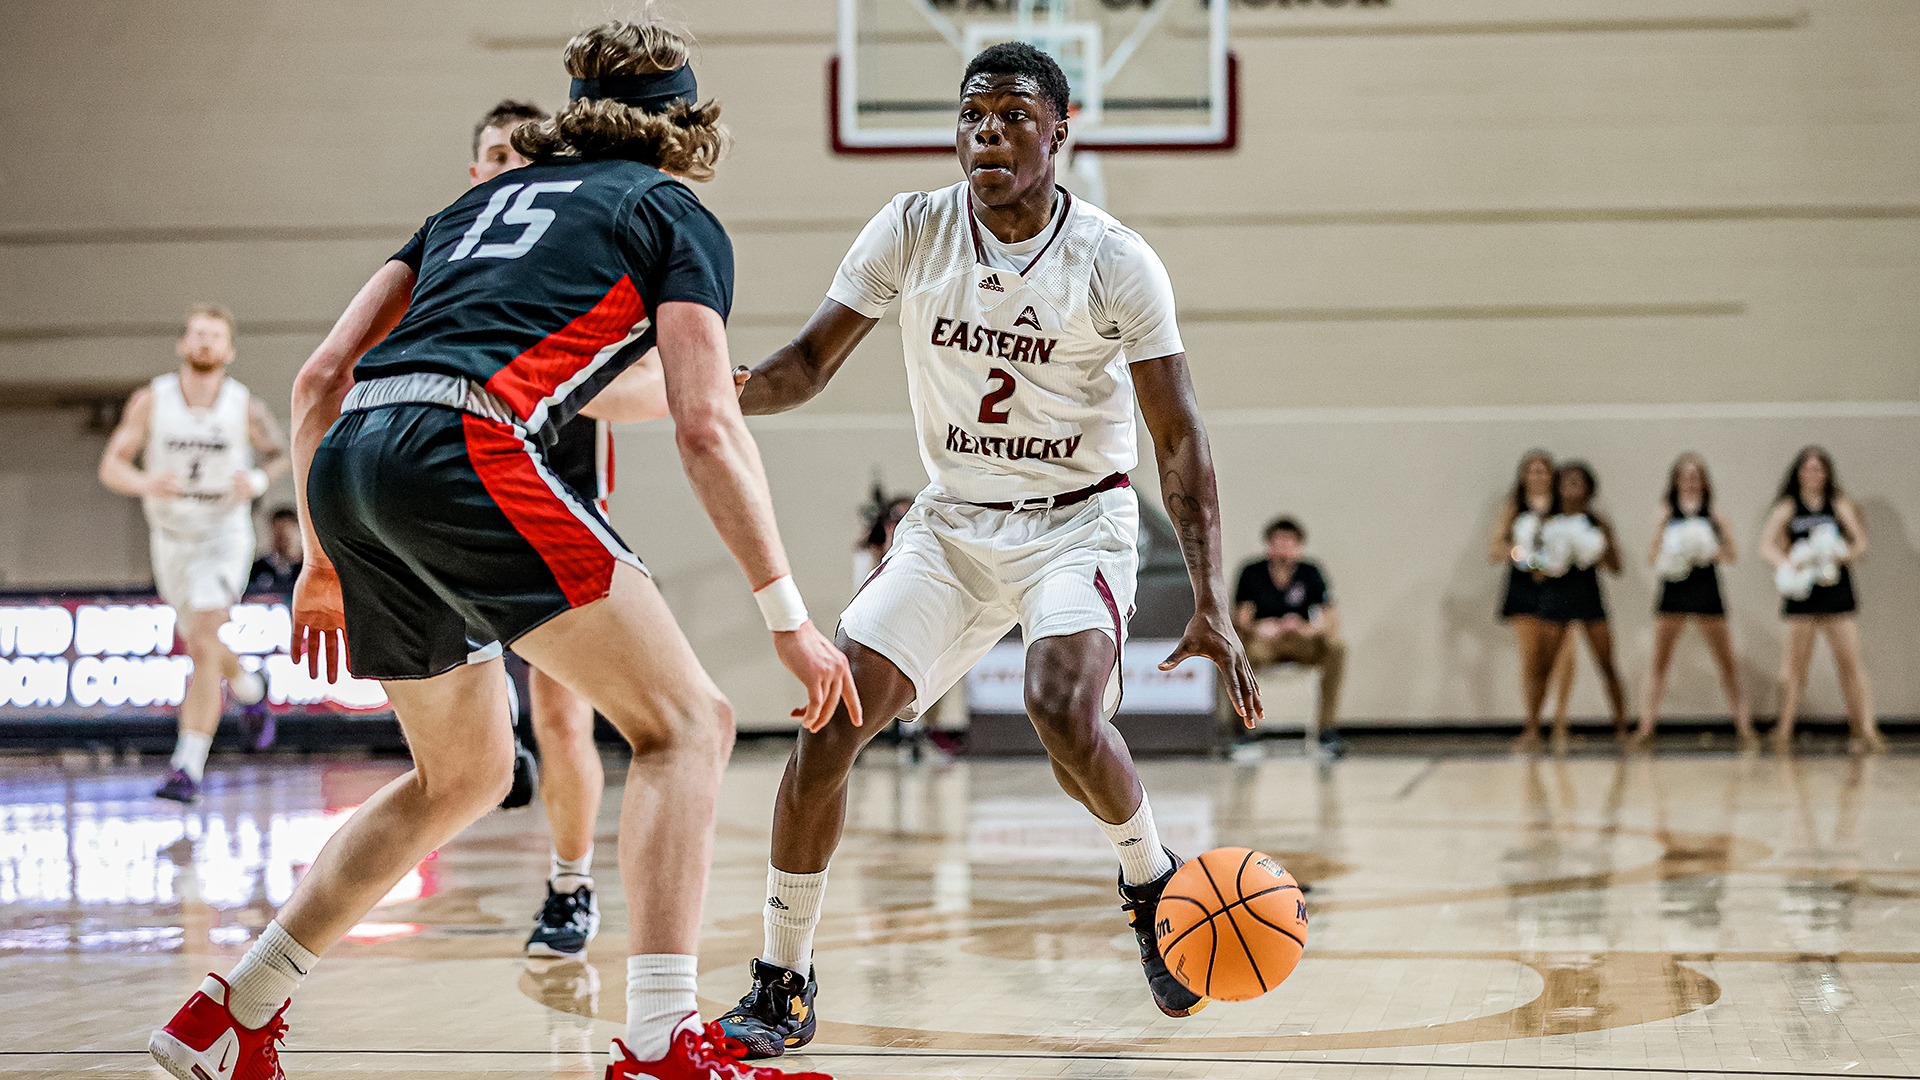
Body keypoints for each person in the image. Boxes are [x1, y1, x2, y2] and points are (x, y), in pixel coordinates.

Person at [147, 22, 854, 1080]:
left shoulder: (467, 206)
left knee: (463, 773)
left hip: (350, 464)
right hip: (463, 449)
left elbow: (320, 377)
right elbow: (708, 428)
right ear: (684, 125)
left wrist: (323, 559)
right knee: (688, 725)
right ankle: (663, 1041)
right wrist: (789, 620)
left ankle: (229, 1012)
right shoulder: (671, 210)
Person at [715, 42, 1261, 1060]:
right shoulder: (914, 229)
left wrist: (1210, 600)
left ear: (1060, 132)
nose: (989, 134)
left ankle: (1149, 884)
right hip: (954, 523)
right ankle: (782, 978)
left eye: (1014, 116)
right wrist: (714, 389)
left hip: (1076, 520)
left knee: (1060, 702)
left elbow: (1178, 439)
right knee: (828, 730)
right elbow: (807, 364)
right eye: (973, 117)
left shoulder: (1115, 259)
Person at [462, 97, 670, 959]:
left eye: (522, 150)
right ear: (474, 172)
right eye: (493, 153)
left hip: (559, 507)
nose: (507, 162)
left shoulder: (585, 253)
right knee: (460, 740)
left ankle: (570, 886)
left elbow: (652, 386)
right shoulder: (447, 249)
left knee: (565, 718)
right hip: (454, 502)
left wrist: (541, 375)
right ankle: (489, 747)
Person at [99, 305, 290, 802]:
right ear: (183, 345)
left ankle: (187, 767)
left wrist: (258, 479)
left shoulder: (243, 405)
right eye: (198, 335)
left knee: (203, 642)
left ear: (229, 351)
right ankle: (249, 688)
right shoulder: (151, 400)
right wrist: (145, 482)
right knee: (205, 644)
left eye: (215, 337)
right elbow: (111, 465)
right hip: (170, 537)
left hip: (224, 535)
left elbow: (282, 452)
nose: (205, 343)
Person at [1759, 446, 1883, 754]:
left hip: (1835, 591)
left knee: (1850, 662)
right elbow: (1767, 545)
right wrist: (1788, 563)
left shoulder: (1838, 504)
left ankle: (1864, 728)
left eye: (1819, 469)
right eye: (1807, 468)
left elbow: (1860, 544)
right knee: (1794, 666)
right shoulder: (1788, 507)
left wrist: (1840, 555)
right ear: (1798, 472)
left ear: (1826, 473)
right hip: (1803, 592)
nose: (1813, 474)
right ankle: (1784, 730)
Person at [1635, 453, 1752, 747]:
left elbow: (1732, 555)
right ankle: (1646, 727)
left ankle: (1744, 726)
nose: (1689, 481)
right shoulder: (1665, 513)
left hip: (1706, 586)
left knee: (1727, 662)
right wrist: (1674, 552)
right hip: (1674, 588)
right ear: (1675, 481)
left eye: (1695, 475)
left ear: (1703, 480)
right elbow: (1651, 555)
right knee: (1659, 662)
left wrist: (1708, 550)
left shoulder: (1714, 516)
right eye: (1684, 476)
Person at [1527, 462, 1629, 748]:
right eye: (1566, 481)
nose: (1572, 486)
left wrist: (1596, 548)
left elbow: (1616, 567)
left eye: (1578, 481)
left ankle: (1621, 728)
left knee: (1607, 664)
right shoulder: (1546, 522)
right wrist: (1551, 561)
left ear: (1588, 487)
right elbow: (1533, 569)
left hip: (1588, 595)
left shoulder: (1598, 522)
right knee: (1542, 666)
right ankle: (1533, 729)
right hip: (1555, 595)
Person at [1233, 517, 1346, 748]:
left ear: (1299, 546)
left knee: (1337, 648)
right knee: (1237, 654)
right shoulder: (1252, 572)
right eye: (1278, 542)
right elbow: (1241, 618)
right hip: (1266, 643)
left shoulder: (1310, 572)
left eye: (1290, 542)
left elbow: (1330, 619)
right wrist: (1261, 626)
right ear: (1268, 545)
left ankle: (1327, 729)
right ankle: (1247, 730)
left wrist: (1307, 629)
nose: (1283, 548)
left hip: (1300, 641)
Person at [1490, 449, 1576, 748]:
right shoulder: (1514, 507)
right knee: (1531, 659)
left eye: (1543, 471)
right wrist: (1521, 554)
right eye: (1532, 471)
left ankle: (1561, 722)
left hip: (1560, 585)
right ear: (1523, 476)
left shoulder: (1563, 506)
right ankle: (1533, 724)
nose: (1538, 476)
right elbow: (1496, 550)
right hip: (1524, 585)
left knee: (1565, 655)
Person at [248, 507, 304, 596]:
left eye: (286, 534)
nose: (282, 539)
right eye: (278, 533)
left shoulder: (306, 569)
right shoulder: (257, 568)